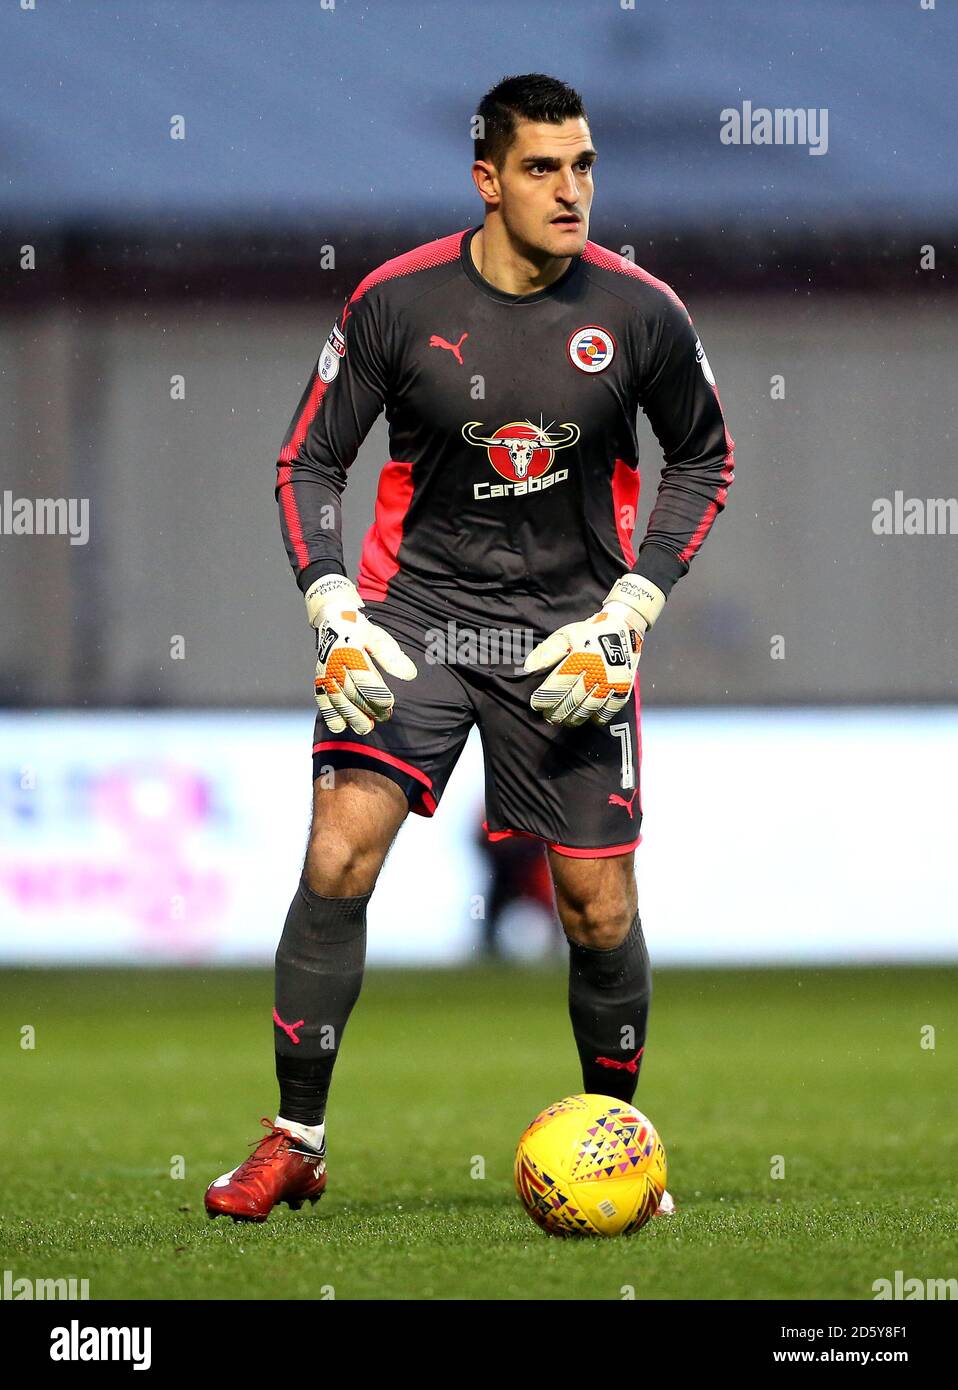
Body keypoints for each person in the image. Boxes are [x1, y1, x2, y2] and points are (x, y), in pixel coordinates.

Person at [205, 73, 734, 1223]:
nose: (571, 189)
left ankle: (618, 1145)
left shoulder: (643, 312)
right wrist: (330, 604)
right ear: (487, 179)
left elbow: (704, 456)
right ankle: (296, 1140)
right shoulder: (396, 302)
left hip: (572, 641)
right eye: (543, 167)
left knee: (595, 910)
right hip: (417, 624)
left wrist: (632, 609)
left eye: (584, 164)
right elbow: (307, 460)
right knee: (338, 853)